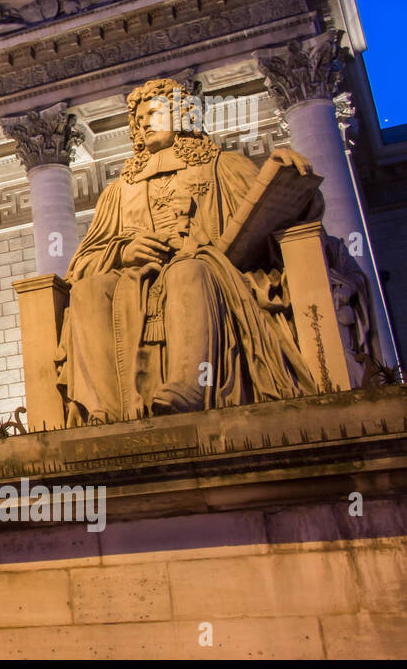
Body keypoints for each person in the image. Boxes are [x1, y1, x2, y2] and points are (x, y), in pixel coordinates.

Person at [57, 77, 322, 423]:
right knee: (89, 291)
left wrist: (290, 170)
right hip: (138, 281)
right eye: (139, 120)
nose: (145, 123)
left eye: (155, 113)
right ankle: (104, 408)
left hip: (211, 272)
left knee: (188, 270)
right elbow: (82, 263)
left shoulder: (224, 166)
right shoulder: (119, 192)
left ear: (183, 114)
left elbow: (285, 213)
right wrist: (123, 252)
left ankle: (192, 384)